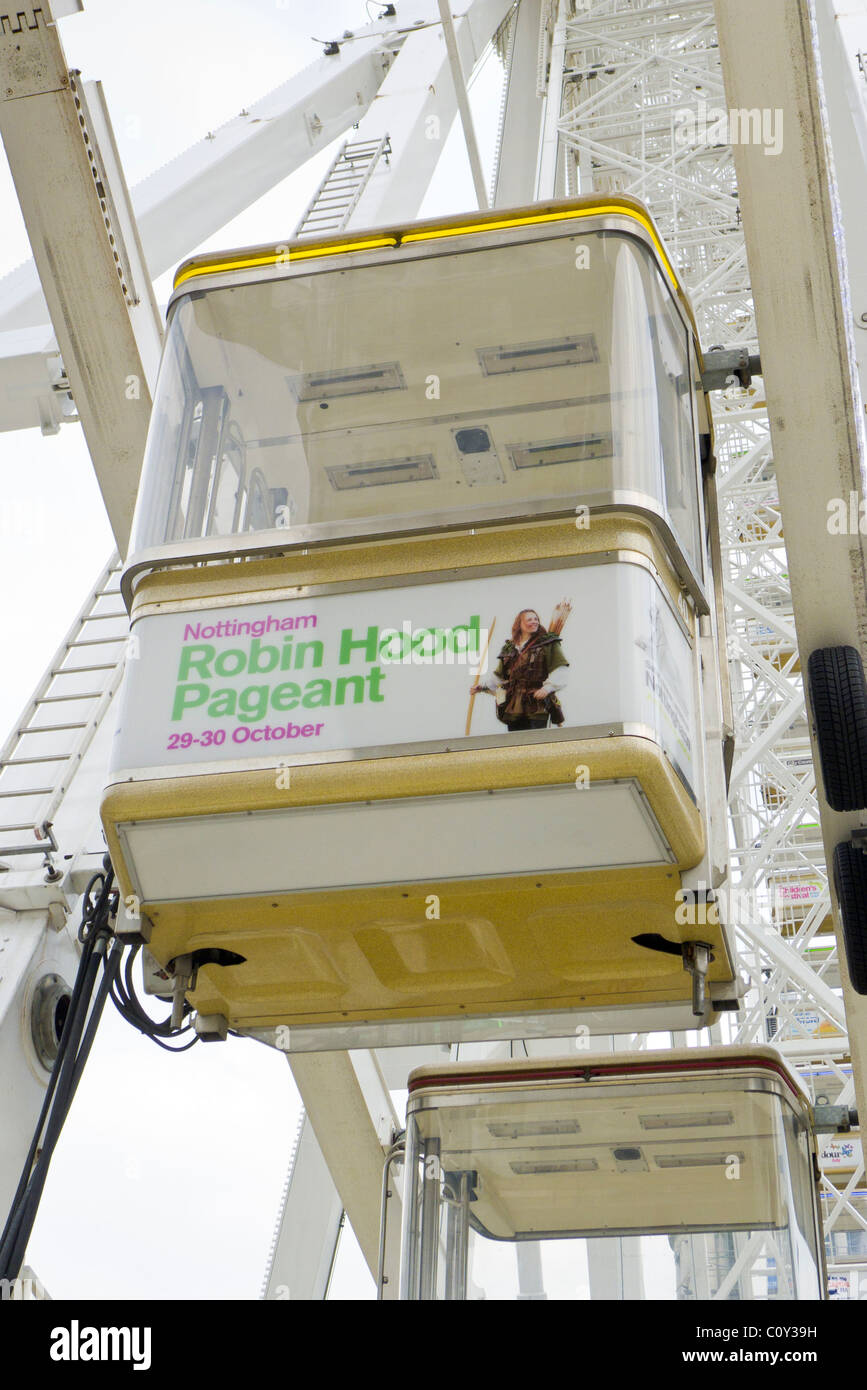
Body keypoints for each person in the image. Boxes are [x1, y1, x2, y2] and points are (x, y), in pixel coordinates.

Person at [470, 609, 569, 731]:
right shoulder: (510, 648)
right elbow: (499, 677)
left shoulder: (548, 643)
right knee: (516, 743)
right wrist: (482, 687)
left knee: (534, 743)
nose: (534, 622)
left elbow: (560, 668)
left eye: (536, 619)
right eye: (529, 619)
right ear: (519, 624)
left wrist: (547, 688)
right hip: (513, 707)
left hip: (537, 705)